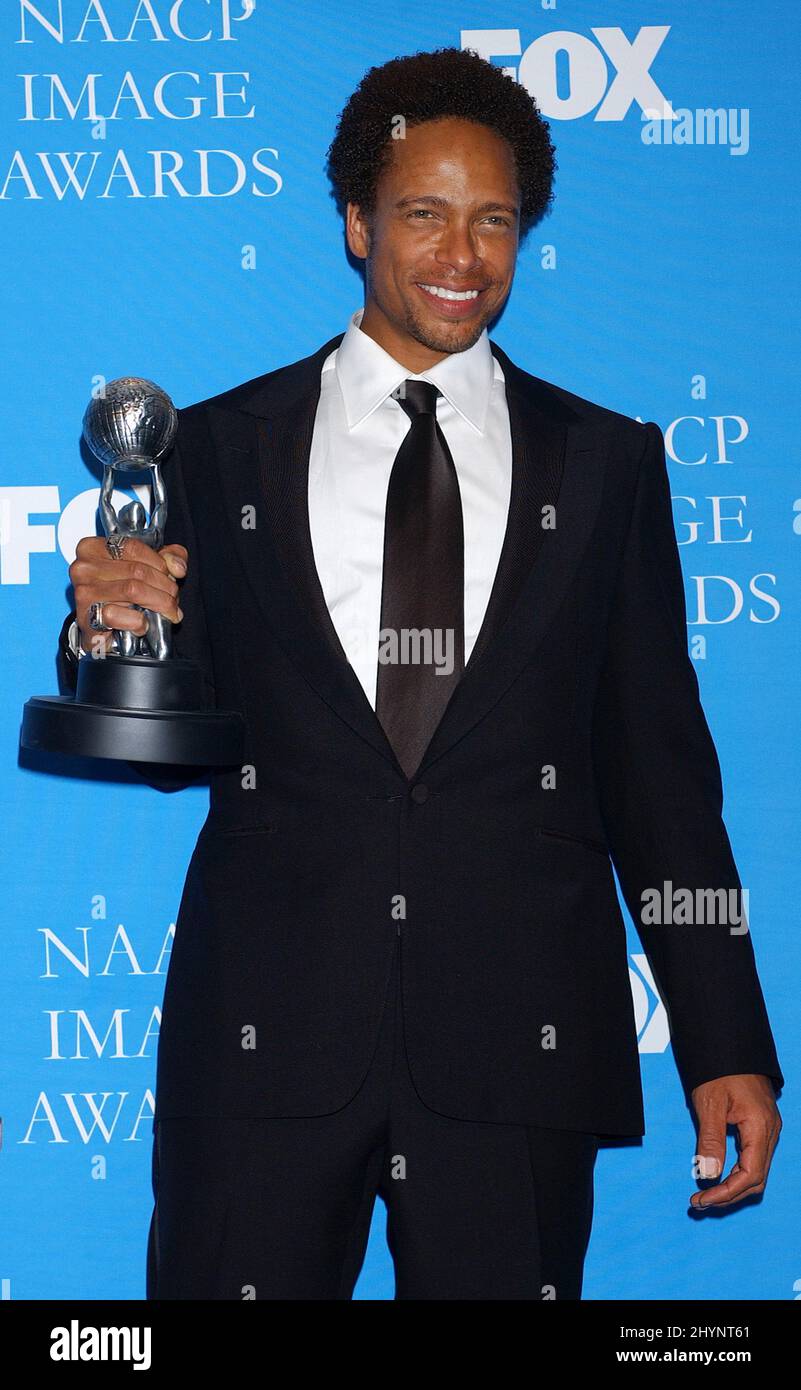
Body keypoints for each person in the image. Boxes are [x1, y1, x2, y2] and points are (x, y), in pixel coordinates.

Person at [56, 47, 782, 1301]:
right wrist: (110, 630)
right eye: (425, 212)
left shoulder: (608, 467)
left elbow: (659, 777)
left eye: (494, 218)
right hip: (268, 1048)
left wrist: (725, 1039)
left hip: (517, 1059)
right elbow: (175, 735)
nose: (462, 254)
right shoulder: (219, 448)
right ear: (356, 222)